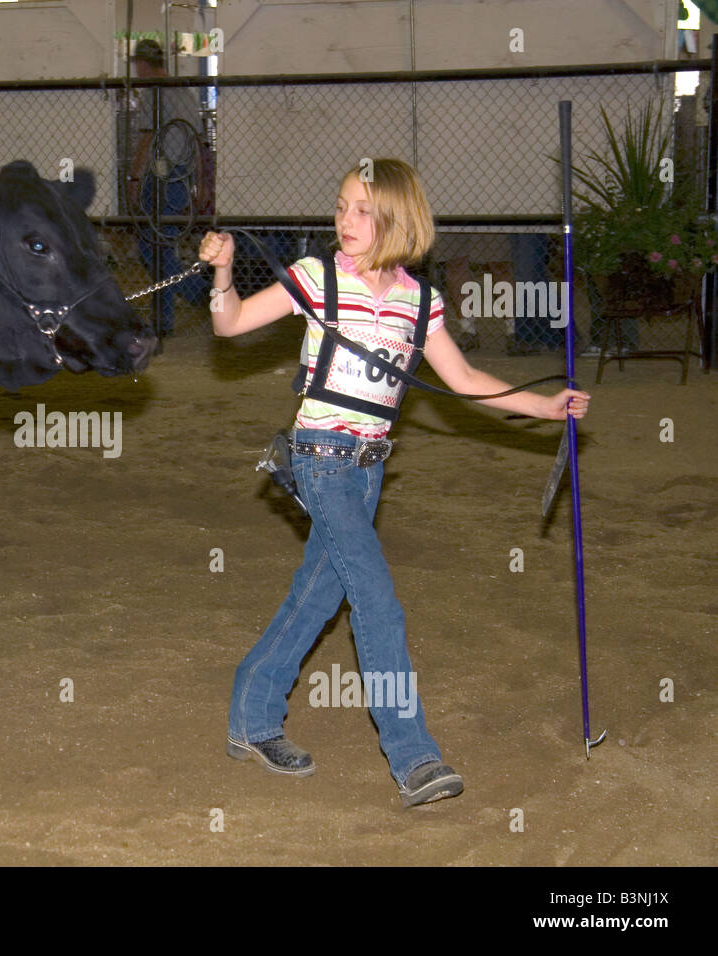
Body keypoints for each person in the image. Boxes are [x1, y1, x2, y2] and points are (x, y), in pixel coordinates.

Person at [201, 158, 590, 807]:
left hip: (371, 467)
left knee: (320, 595)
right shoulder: (316, 279)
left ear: (397, 220)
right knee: (378, 603)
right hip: (320, 460)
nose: (345, 220)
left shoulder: (420, 302)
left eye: (362, 209)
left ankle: (252, 712)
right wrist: (220, 271)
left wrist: (544, 406)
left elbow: (463, 381)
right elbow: (229, 323)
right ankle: (414, 757)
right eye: (341, 205)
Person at [127, 38, 208, 334]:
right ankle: (168, 316)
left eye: (136, 65)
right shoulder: (183, 91)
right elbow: (198, 140)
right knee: (161, 248)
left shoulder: (155, 92)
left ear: (143, 64)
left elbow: (147, 138)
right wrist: (199, 181)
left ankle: (197, 293)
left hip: (162, 177)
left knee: (153, 250)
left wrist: (134, 179)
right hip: (181, 174)